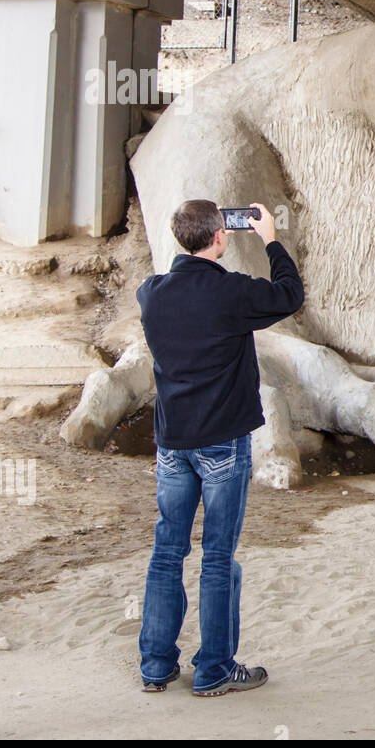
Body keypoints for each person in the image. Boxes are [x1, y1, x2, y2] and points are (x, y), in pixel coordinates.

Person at [136, 199, 303, 696]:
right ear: (220, 237)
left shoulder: (151, 294)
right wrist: (270, 237)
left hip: (172, 444)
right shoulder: (230, 293)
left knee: (167, 553)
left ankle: (156, 666)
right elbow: (288, 294)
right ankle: (213, 668)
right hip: (222, 445)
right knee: (216, 556)